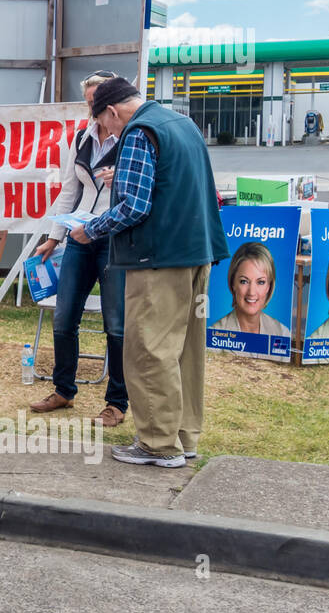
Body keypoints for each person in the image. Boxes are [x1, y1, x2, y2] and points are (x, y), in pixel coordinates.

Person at [70, 77, 228, 468]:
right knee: (186, 352)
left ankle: (158, 443)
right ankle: (184, 437)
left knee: (148, 350)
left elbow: (134, 206)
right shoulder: (182, 123)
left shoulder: (139, 132)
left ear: (111, 111)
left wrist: (90, 229)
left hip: (157, 259)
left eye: (105, 125)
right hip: (197, 254)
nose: (107, 133)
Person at [29, 69, 129, 427]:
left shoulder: (130, 135)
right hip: (79, 236)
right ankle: (63, 390)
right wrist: (54, 236)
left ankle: (116, 403)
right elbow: (69, 191)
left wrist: (121, 175)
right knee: (64, 316)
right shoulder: (80, 138)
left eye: (98, 100)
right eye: (88, 101)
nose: (93, 108)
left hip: (114, 238)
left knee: (115, 323)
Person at [210, 242, 292, 337]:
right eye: (244, 281)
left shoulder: (282, 332)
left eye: (260, 282)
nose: (251, 292)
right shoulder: (214, 334)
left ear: (268, 286)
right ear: (233, 284)